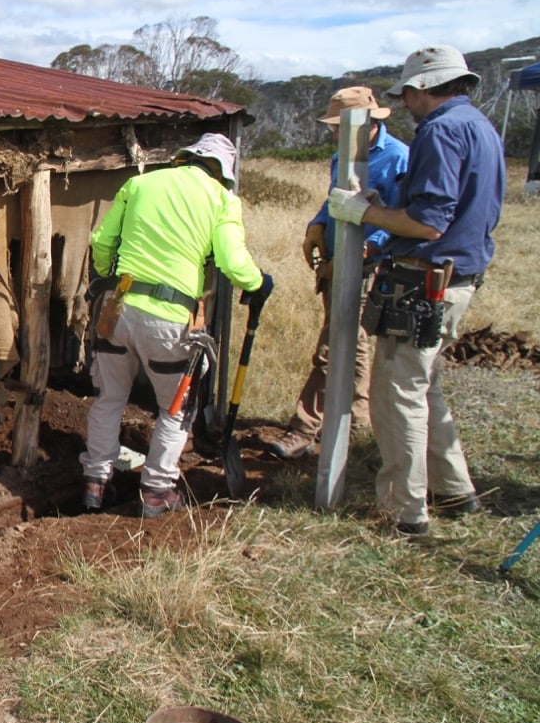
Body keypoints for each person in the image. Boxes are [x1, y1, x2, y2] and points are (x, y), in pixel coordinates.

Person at [329, 45, 504, 536]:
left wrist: (364, 213)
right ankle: (454, 489)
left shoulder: (440, 130)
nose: (404, 103)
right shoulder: (480, 126)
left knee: (396, 393)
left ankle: (404, 511)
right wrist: (383, 209)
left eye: (406, 93)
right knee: (425, 385)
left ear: (423, 88)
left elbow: (428, 223)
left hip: (423, 281)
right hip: (456, 278)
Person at [82, 133, 272, 517]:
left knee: (109, 398)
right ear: (222, 172)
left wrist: (105, 276)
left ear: (186, 157)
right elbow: (233, 263)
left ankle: (95, 482)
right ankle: (156, 491)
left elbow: (101, 241)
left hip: (117, 308)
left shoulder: (140, 183)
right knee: (176, 408)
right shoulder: (222, 199)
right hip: (169, 320)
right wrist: (258, 284)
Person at [270, 87, 409, 459]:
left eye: (339, 127)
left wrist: (359, 252)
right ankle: (358, 425)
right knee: (354, 347)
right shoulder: (340, 158)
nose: (334, 134)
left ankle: (303, 429)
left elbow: (400, 218)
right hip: (336, 265)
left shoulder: (398, 158)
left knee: (334, 348)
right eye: (333, 127)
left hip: (367, 268)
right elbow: (336, 199)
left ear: (368, 123)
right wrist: (316, 225)